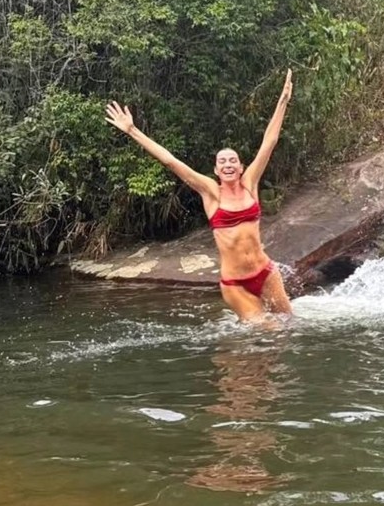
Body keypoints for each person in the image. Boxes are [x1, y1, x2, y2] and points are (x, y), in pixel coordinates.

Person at [104, 70, 294, 323]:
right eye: (222, 161)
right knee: (266, 328)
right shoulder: (211, 192)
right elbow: (171, 161)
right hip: (235, 283)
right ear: (216, 170)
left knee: (288, 327)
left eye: (233, 160)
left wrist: (283, 101)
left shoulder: (250, 183)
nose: (228, 164)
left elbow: (269, 142)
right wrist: (132, 130)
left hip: (266, 273)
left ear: (241, 167)